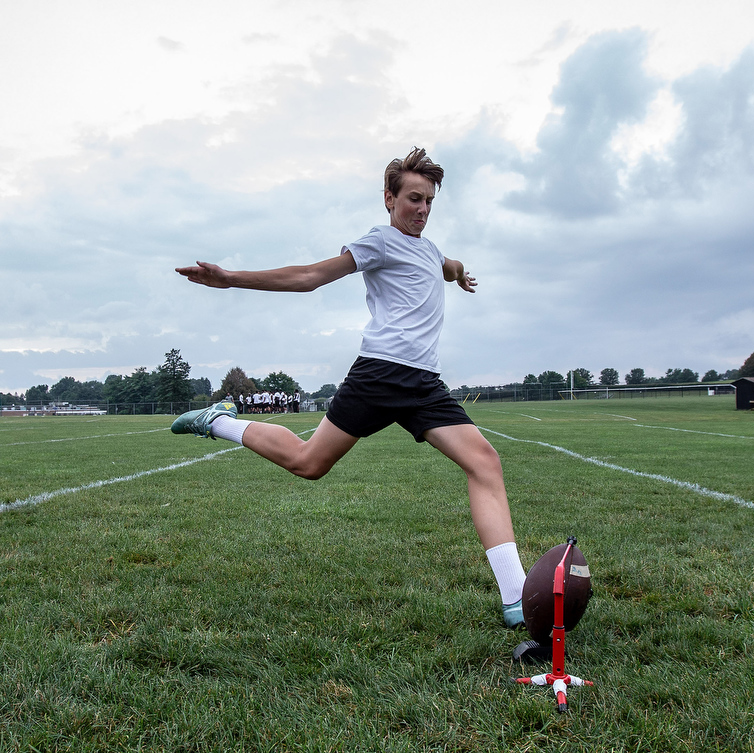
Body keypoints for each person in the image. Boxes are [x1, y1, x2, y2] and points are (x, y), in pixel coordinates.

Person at [171, 147, 527, 627]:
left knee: (484, 462)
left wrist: (461, 274)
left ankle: (516, 599)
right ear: (389, 198)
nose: (422, 209)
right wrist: (230, 278)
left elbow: (449, 264)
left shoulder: (429, 249)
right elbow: (310, 277)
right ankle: (218, 422)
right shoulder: (379, 241)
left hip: (424, 383)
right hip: (380, 374)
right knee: (308, 463)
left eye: (429, 201)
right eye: (413, 199)